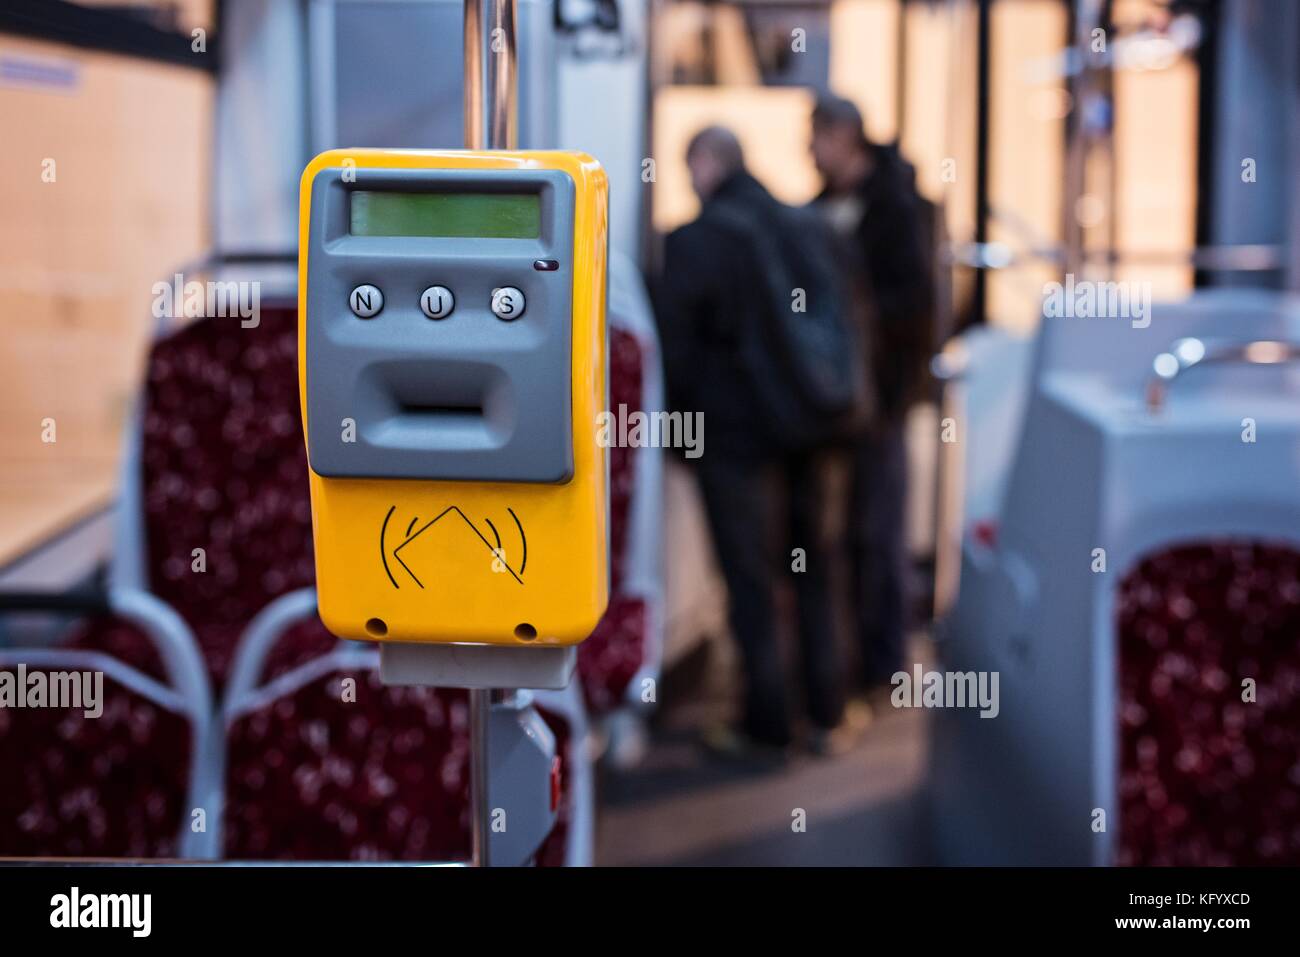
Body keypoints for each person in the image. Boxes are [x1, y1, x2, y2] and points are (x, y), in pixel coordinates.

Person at [654, 126, 847, 758]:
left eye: (690, 170)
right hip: (810, 428)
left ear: (708, 164)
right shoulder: (805, 224)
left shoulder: (697, 241)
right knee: (813, 568)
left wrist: (677, 438)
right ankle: (826, 712)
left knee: (749, 578)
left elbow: (676, 355)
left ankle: (764, 722)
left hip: (732, 437)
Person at [809, 94, 937, 695]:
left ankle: (884, 665)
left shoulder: (893, 207)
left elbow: (913, 306)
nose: (809, 150)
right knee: (849, 537)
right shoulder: (828, 206)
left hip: (880, 401)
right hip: (845, 404)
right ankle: (858, 660)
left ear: (844, 137)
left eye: (817, 137)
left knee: (879, 533)